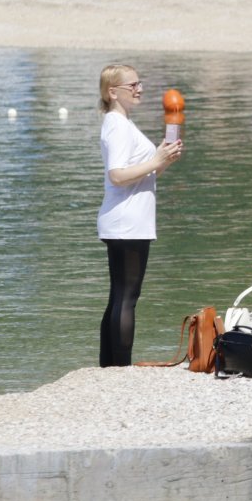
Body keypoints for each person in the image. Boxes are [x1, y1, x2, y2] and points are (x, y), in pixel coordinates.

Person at [96, 65, 183, 367]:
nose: (139, 89)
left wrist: (163, 161)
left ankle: (109, 364)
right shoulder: (117, 124)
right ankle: (120, 366)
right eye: (132, 85)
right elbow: (118, 175)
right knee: (127, 296)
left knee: (120, 295)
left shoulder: (122, 122)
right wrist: (156, 159)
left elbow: (139, 173)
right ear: (112, 92)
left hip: (128, 220)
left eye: (139, 83)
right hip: (126, 221)